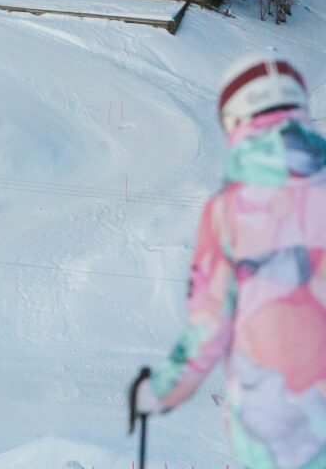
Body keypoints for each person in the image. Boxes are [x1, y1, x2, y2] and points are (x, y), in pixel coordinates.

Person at [129, 54, 326, 469]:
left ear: (236, 123)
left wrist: (157, 393)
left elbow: (210, 327)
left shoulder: (230, 212)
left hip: (273, 431)